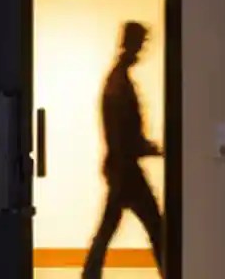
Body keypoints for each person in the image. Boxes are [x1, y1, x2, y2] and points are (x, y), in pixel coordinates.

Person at [83, 21, 165, 279]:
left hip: (121, 167)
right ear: (131, 43)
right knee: (155, 227)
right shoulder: (119, 84)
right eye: (141, 43)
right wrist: (149, 148)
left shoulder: (118, 79)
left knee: (110, 228)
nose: (142, 50)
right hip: (124, 169)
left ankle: (89, 275)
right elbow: (123, 135)